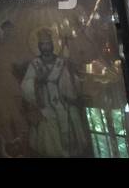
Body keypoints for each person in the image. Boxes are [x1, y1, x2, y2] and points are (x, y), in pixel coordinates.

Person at [19, 28, 90, 157]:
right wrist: (37, 82)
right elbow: (25, 86)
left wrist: (73, 80)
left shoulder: (61, 62)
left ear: (52, 44)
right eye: (43, 44)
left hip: (64, 101)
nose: (46, 47)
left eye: (48, 44)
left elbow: (69, 83)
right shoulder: (35, 64)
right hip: (45, 104)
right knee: (48, 124)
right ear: (39, 46)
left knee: (73, 114)